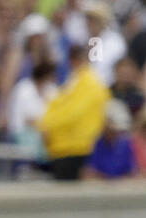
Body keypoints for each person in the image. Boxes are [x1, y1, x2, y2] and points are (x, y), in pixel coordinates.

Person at [39, 44, 111, 180]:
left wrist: (49, 126)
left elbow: (74, 113)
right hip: (66, 147)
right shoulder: (75, 80)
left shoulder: (89, 82)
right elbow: (59, 105)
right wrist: (46, 125)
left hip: (76, 148)